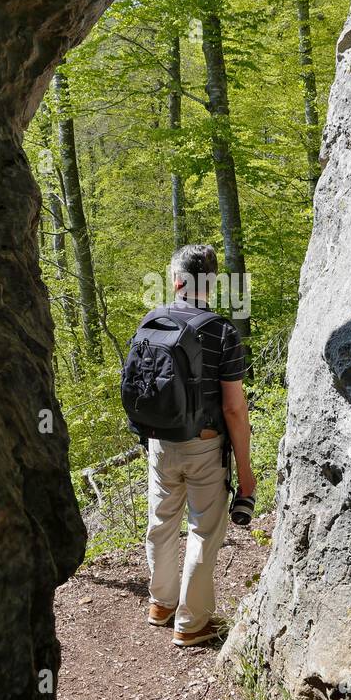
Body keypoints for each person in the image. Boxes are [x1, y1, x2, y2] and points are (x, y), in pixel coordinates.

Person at [139, 245, 255, 646]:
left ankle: (161, 604)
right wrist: (246, 472)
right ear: (213, 282)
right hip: (205, 446)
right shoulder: (222, 332)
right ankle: (191, 624)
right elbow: (234, 409)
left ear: (176, 281)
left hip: (159, 443)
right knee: (204, 530)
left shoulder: (151, 321)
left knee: (162, 521)